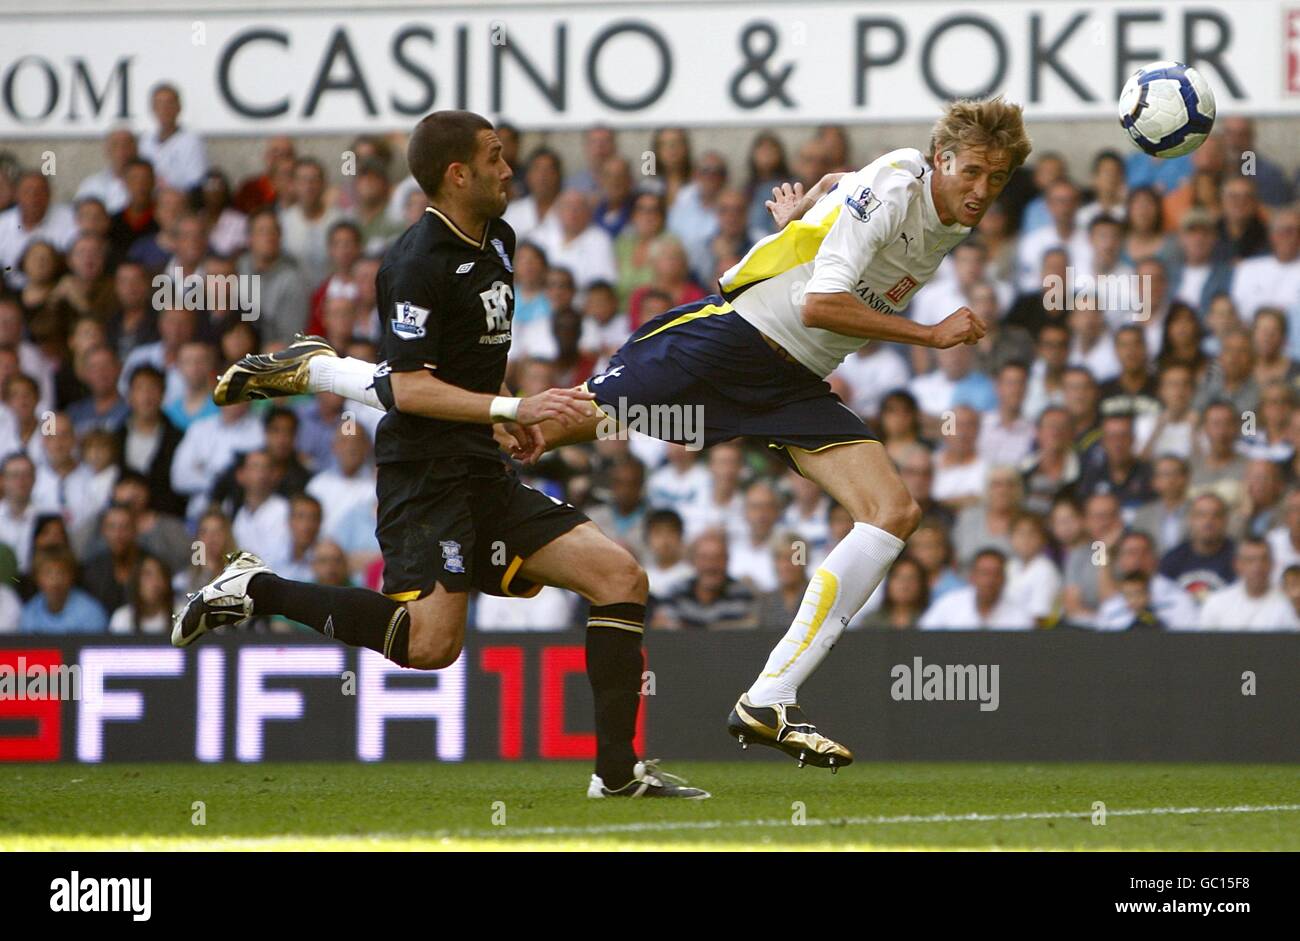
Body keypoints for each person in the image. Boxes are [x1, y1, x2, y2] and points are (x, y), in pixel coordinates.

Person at [219, 98, 1031, 771]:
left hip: (789, 382)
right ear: (938, 158)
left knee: (892, 511)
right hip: (725, 344)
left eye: (997, 177)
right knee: (540, 423)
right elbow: (822, 298)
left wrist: (804, 214)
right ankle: (323, 369)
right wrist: (929, 334)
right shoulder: (900, 183)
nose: (983, 188)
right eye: (971, 171)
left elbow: (843, 203)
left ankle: (769, 699)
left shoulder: (933, 206)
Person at [184, 111, 706, 800]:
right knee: (430, 646)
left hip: (483, 467)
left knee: (619, 576)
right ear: (457, 173)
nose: (508, 167)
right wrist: (509, 409)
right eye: (495, 156)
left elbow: (475, 357)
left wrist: (506, 409)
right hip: (424, 476)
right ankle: (256, 589)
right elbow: (409, 387)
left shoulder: (500, 237)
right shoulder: (411, 265)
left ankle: (616, 775)